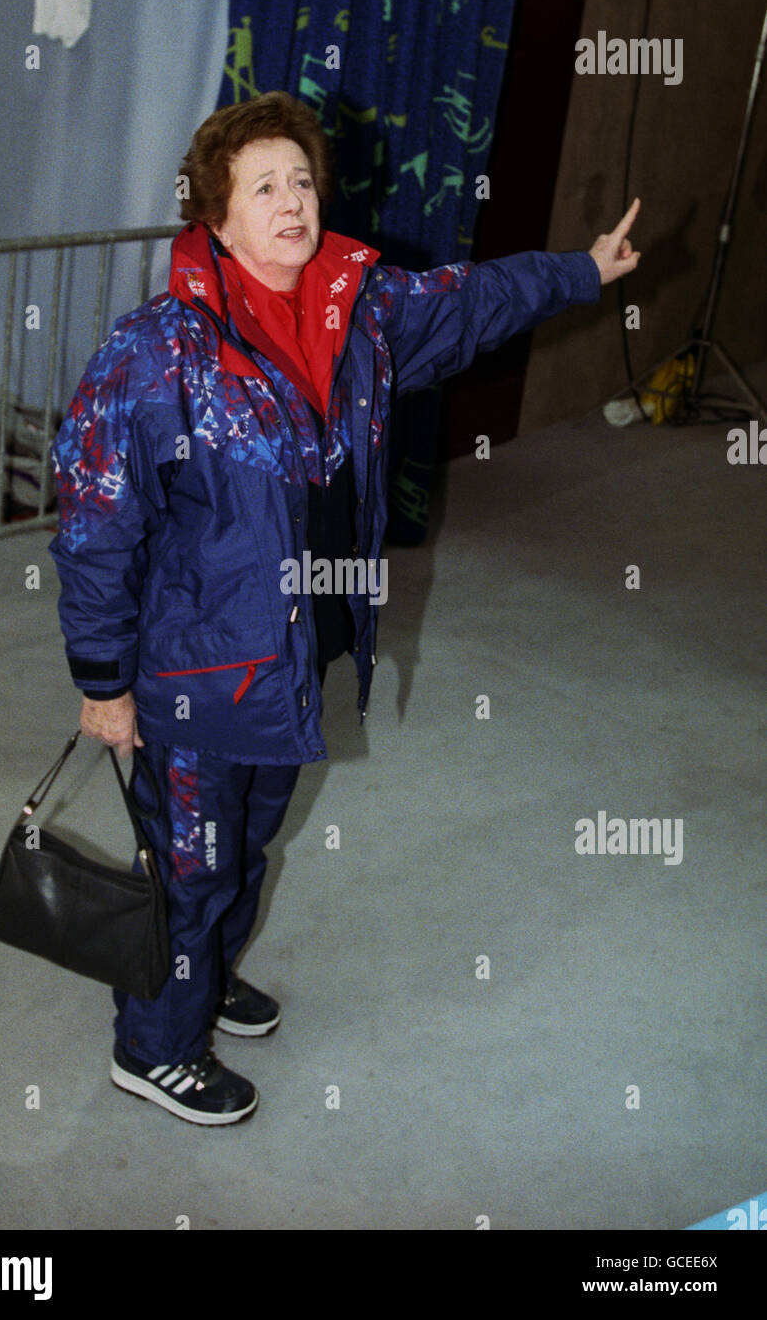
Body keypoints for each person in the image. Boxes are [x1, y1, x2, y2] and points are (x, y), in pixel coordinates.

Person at [48, 91, 641, 1126]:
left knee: (247, 843)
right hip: (191, 674)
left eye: (302, 180)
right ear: (216, 218)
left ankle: (203, 971)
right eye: (263, 185)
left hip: (295, 652)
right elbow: (96, 528)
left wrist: (580, 271)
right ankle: (152, 1045)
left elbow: (470, 300)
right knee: (191, 864)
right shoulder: (157, 353)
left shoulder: (357, 312)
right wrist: (101, 683)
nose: (291, 201)